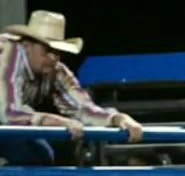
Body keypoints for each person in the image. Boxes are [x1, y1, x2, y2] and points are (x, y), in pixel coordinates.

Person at [0, 10, 143, 166]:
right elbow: (9, 113)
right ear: (27, 45)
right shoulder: (9, 53)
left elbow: (82, 108)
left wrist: (117, 118)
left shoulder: (56, 70)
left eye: (57, 52)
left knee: (59, 148)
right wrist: (56, 121)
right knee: (36, 152)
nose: (53, 58)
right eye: (47, 51)